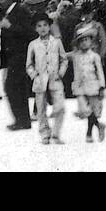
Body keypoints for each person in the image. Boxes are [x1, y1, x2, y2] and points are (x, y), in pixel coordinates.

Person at [0, 0, 36, 130]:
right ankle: (21, 119)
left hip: (20, 56)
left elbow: (30, 33)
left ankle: (22, 120)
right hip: (11, 55)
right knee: (14, 87)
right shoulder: (7, 12)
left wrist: (10, 27)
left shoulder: (20, 11)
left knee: (14, 87)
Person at [25, 14, 68, 144]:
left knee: (60, 106)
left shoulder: (56, 42)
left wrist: (60, 73)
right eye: (39, 26)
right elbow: (29, 64)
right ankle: (44, 133)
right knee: (41, 109)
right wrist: (34, 75)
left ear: (49, 27)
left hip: (55, 79)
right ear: (35, 29)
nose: (42, 28)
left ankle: (56, 133)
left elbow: (64, 59)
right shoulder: (33, 44)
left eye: (45, 25)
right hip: (40, 81)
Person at [71, 25, 106, 143]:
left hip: (93, 85)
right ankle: (99, 125)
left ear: (91, 41)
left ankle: (89, 133)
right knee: (84, 109)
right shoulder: (76, 56)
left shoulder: (95, 56)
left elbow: (100, 71)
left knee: (93, 109)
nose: (84, 43)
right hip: (80, 86)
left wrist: (101, 86)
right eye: (81, 41)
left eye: (86, 40)